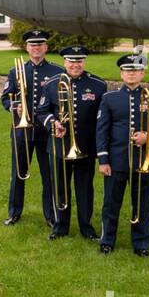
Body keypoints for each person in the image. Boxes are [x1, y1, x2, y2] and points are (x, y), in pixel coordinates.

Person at [95, 54, 149, 257]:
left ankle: (141, 243)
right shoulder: (109, 98)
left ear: (142, 73)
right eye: (127, 70)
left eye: (135, 70)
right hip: (116, 161)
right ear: (121, 73)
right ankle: (107, 240)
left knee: (142, 204)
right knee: (111, 203)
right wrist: (103, 160)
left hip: (144, 162)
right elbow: (101, 131)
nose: (131, 73)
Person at [42, 45, 106, 241]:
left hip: (85, 147)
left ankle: (86, 227)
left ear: (84, 62)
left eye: (79, 61)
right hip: (59, 147)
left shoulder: (98, 85)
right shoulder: (52, 84)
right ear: (65, 62)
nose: (75, 64)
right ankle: (60, 226)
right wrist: (53, 123)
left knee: (85, 188)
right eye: (71, 61)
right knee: (59, 187)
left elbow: (103, 118)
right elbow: (41, 111)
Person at [1, 30, 61, 228]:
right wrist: (14, 107)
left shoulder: (56, 72)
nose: (36, 48)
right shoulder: (15, 71)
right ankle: (14, 212)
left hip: (46, 131)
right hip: (21, 131)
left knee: (49, 175)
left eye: (40, 44)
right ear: (27, 48)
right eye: (32, 45)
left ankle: (51, 215)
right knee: (18, 174)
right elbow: (5, 98)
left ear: (46, 47)